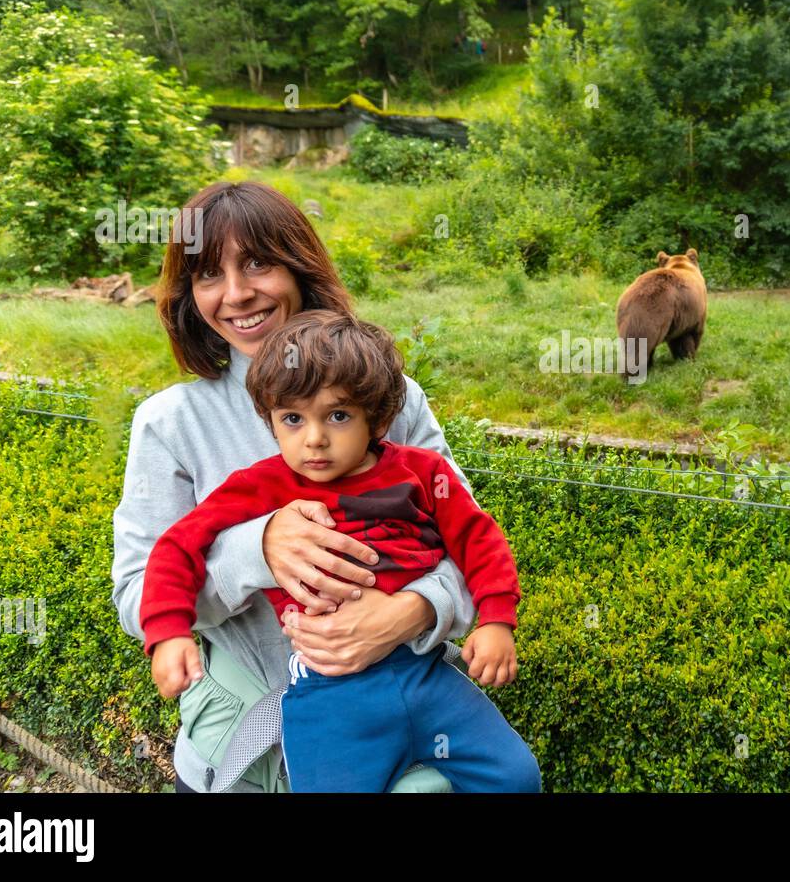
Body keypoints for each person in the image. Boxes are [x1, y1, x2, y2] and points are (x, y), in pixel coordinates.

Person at [111, 180, 477, 793]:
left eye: (257, 263)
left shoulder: (392, 398)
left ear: (300, 268)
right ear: (186, 296)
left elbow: (471, 541)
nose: (236, 294)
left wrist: (409, 612)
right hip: (240, 763)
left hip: (396, 744)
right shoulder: (171, 423)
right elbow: (136, 594)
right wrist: (257, 550)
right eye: (208, 275)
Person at [140, 309, 540, 792]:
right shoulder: (262, 486)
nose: (314, 438)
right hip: (330, 696)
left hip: (425, 674)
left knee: (516, 778)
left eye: (337, 415)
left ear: (378, 416)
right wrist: (168, 631)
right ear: (270, 420)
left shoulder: (422, 470)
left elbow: (478, 538)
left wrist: (497, 619)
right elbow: (176, 545)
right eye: (292, 418)